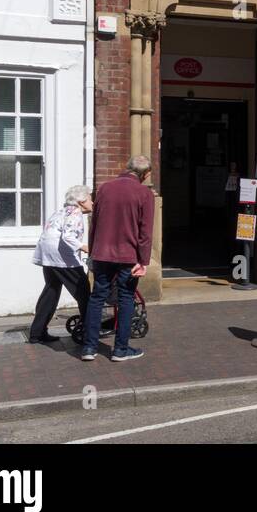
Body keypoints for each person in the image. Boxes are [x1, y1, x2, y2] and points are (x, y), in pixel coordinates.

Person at [80, 155, 154, 362]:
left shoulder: (104, 188)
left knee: (97, 298)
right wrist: (144, 261)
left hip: (102, 253)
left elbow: (94, 223)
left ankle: (89, 348)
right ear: (146, 174)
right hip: (128, 256)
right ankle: (120, 349)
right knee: (126, 298)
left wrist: (93, 251)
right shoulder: (144, 193)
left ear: (127, 167)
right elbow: (145, 231)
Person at [28, 186, 93, 344]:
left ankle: (37, 333)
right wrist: (86, 248)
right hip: (62, 258)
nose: (93, 202)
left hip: (47, 255)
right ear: (82, 202)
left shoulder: (61, 211)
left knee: (51, 290)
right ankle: (89, 332)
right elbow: (68, 237)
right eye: (90, 198)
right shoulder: (75, 213)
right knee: (84, 293)